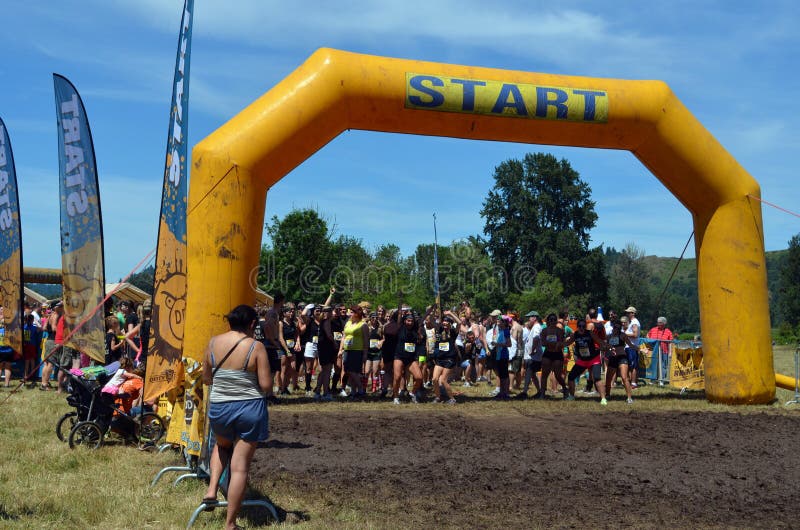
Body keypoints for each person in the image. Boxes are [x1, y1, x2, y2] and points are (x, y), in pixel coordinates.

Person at [202, 304, 272, 530]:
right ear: (252, 324)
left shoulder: (213, 343)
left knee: (221, 447)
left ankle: (212, 489)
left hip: (220, 408)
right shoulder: (256, 346)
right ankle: (230, 523)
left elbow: (206, 379)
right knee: (240, 467)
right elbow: (265, 385)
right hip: (249, 409)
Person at [563, 319, 607, 404]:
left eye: (583, 326)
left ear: (586, 327)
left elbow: (600, 341)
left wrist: (606, 347)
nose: (581, 328)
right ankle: (572, 396)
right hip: (582, 360)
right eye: (580, 326)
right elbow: (568, 342)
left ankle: (603, 399)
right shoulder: (575, 335)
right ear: (577, 327)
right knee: (571, 376)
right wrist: (559, 344)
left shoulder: (590, 333)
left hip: (594, 359)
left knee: (597, 378)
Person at [392, 311, 424, 404]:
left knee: (419, 377)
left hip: (411, 358)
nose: (410, 323)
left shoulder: (416, 330)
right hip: (399, 356)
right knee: (397, 377)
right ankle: (396, 397)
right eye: (408, 321)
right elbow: (398, 317)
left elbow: (424, 318)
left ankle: (412, 393)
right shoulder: (400, 328)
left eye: (412, 321)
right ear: (404, 321)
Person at [603, 318, 637, 404]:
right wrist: (608, 349)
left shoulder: (623, 335)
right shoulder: (609, 336)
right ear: (613, 328)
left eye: (618, 328)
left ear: (620, 328)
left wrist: (641, 349)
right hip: (613, 358)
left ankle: (629, 398)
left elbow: (630, 345)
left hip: (622, 358)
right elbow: (605, 347)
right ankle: (607, 394)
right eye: (615, 328)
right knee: (608, 378)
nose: (616, 330)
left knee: (624, 377)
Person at [339, 305, 369, 398]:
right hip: (347, 350)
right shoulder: (348, 323)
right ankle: (353, 392)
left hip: (357, 350)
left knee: (353, 371)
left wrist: (365, 353)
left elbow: (366, 340)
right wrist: (341, 349)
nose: (349, 314)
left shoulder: (363, 325)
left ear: (357, 313)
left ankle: (360, 389)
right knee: (348, 371)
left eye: (351, 312)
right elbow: (344, 337)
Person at [432, 311, 461, 404]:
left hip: (449, 359)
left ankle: (452, 399)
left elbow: (459, 323)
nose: (444, 324)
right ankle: (437, 397)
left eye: (446, 322)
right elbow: (431, 320)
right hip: (440, 359)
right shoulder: (439, 330)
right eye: (443, 322)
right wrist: (433, 311)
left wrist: (450, 313)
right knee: (435, 379)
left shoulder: (453, 332)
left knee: (443, 380)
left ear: (450, 324)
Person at [537, 313, 568, 399]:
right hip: (548, 354)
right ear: (548, 321)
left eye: (554, 320)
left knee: (558, 375)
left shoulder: (560, 331)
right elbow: (543, 343)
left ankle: (565, 389)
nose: (553, 321)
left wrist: (553, 345)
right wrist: (553, 345)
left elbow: (561, 343)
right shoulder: (544, 331)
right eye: (551, 320)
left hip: (557, 355)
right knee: (544, 375)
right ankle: (542, 394)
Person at [40, 301, 62, 390]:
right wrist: (62, 332)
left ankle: (43, 383)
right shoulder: (56, 315)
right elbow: (53, 328)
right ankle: (45, 384)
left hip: (48, 340)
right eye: (60, 306)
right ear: (56, 307)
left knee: (46, 363)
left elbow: (44, 328)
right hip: (53, 341)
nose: (62, 308)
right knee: (51, 364)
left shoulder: (49, 315)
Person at [648, 316, 674, 385]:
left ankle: (661, 380)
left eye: (660, 323)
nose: (658, 324)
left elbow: (670, 342)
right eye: (657, 322)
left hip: (664, 351)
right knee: (653, 365)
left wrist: (670, 352)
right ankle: (652, 380)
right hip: (654, 351)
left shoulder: (668, 332)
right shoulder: (653, 329)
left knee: (663, 366)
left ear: (664, 323)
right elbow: (647, 336)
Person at [366, 312, 383, 393]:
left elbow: (384, 338)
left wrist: (381, 342)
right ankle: (363, 388)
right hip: (368, 352)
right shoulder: (367, 327)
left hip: (377, 352)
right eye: (373, 317)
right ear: (370, 318)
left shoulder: (380, 328)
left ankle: (374, 388)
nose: (375, 319)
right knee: (366, 371)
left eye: (376, 317)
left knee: (375, 371)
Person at [22, 313, 41, 387]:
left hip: (26, 346)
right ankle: (32, 377)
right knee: (32, 362)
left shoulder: (23, 327)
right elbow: (40, 327)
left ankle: (26, 377)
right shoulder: (34, 327)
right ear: (32, 320)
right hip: (32, 346)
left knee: (27, 362)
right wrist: (36, 321)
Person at [624, 306, 641, 388]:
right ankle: (631, 381)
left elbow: (635, 334)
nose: (627, 314)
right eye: (627, 312)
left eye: (628, 312)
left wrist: (625, 334)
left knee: (633, 365)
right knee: (630, 365)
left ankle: (633, 383)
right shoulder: (632, 322)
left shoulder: (634, 322)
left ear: (633, 313)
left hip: (632, 347)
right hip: (629, 347)